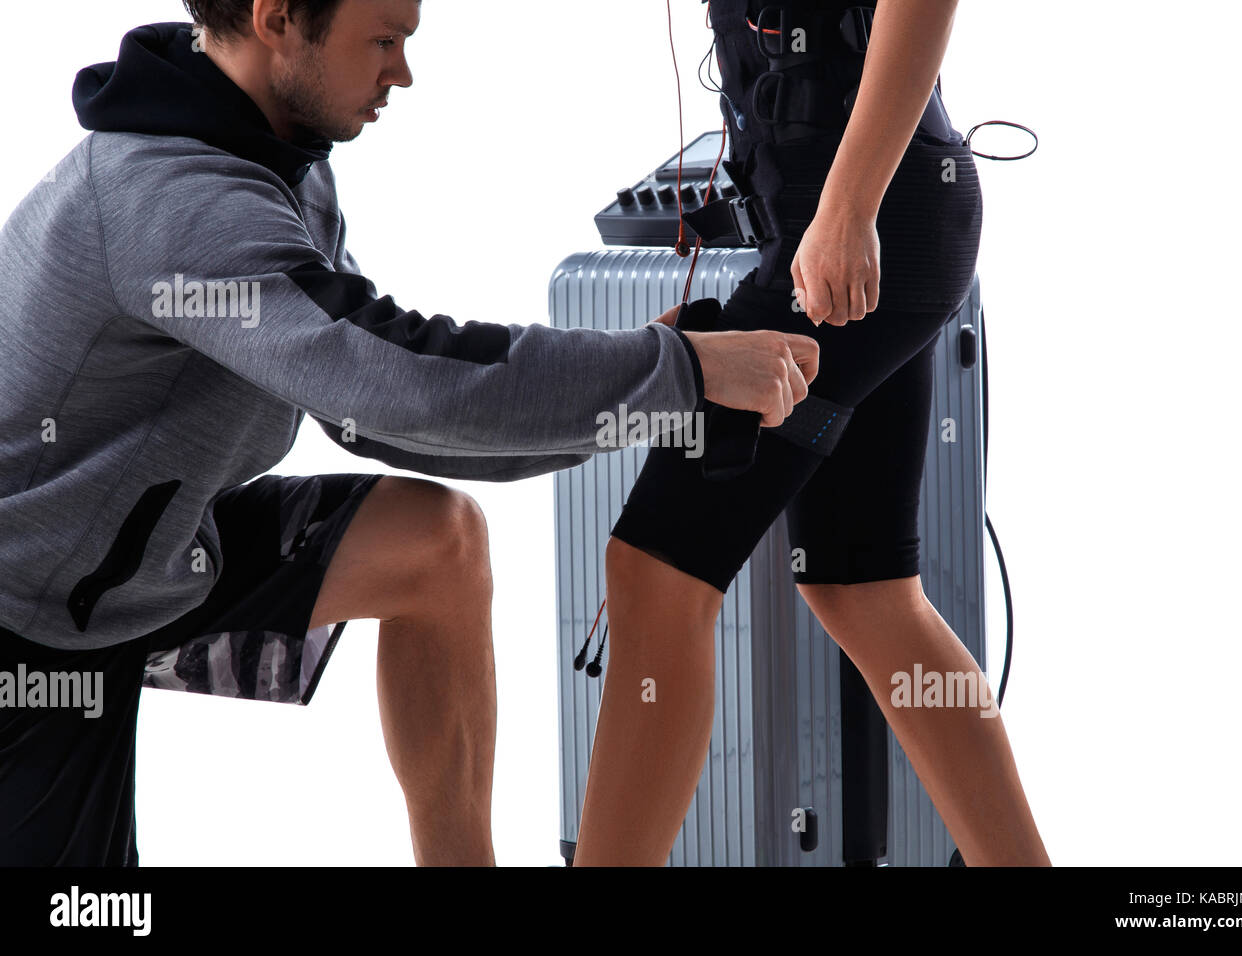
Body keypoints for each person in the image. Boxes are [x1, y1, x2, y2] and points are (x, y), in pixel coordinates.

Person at [0, 0, 819, 866]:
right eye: (384, 40)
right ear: (278, 18)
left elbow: (375, 409)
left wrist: (648, 386)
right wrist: (677, 373)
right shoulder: (174, 203)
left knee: (437, 547)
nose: (402, 72)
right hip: (30, 612)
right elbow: (408, 386)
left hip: (152, 554)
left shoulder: (271, 151)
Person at [573, 0, 1051, 866]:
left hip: (869, 226)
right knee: (865, 591)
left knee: (653, 571)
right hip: (856, 230)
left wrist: (849, 208)